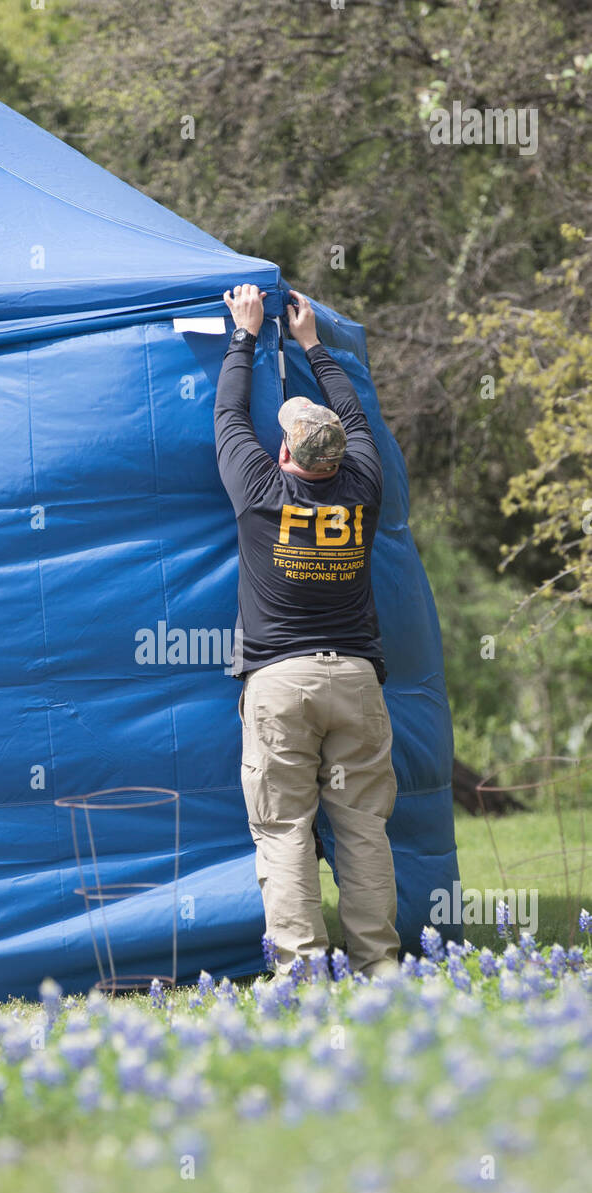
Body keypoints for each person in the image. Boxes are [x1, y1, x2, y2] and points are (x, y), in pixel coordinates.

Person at [214, 283, 401, 980]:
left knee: (284, 829)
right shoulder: (363, 488)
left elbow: (228, 414)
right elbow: (357, 421)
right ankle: (379, 966)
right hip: (355, 680)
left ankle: (300, 973)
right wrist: (316, 346)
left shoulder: (261, 494)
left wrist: (244, 335)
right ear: (337, 458)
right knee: (361, 829)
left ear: (285, 456)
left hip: (279, 682)